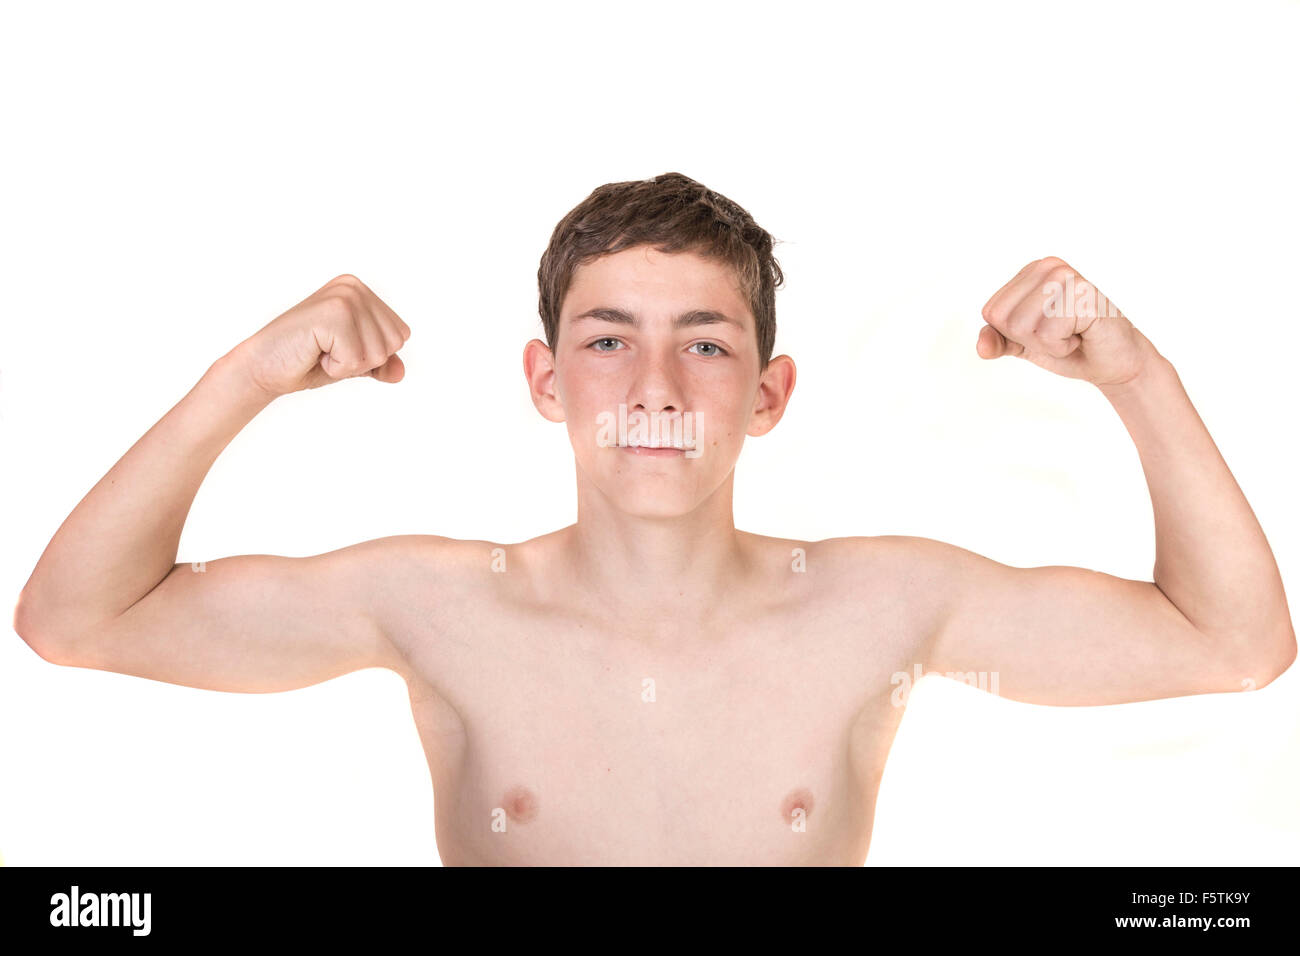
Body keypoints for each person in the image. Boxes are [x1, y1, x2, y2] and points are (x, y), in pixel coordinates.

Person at [13, 172, 1296, 865]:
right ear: (545, 380)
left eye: (706, 344)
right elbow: (74, 618)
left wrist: (1138, 374)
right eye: (608, 339)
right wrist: (246, 373)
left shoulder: (888, 609)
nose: (655, 389)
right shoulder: (432, 604)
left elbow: (1231, 643)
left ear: (768, 393)